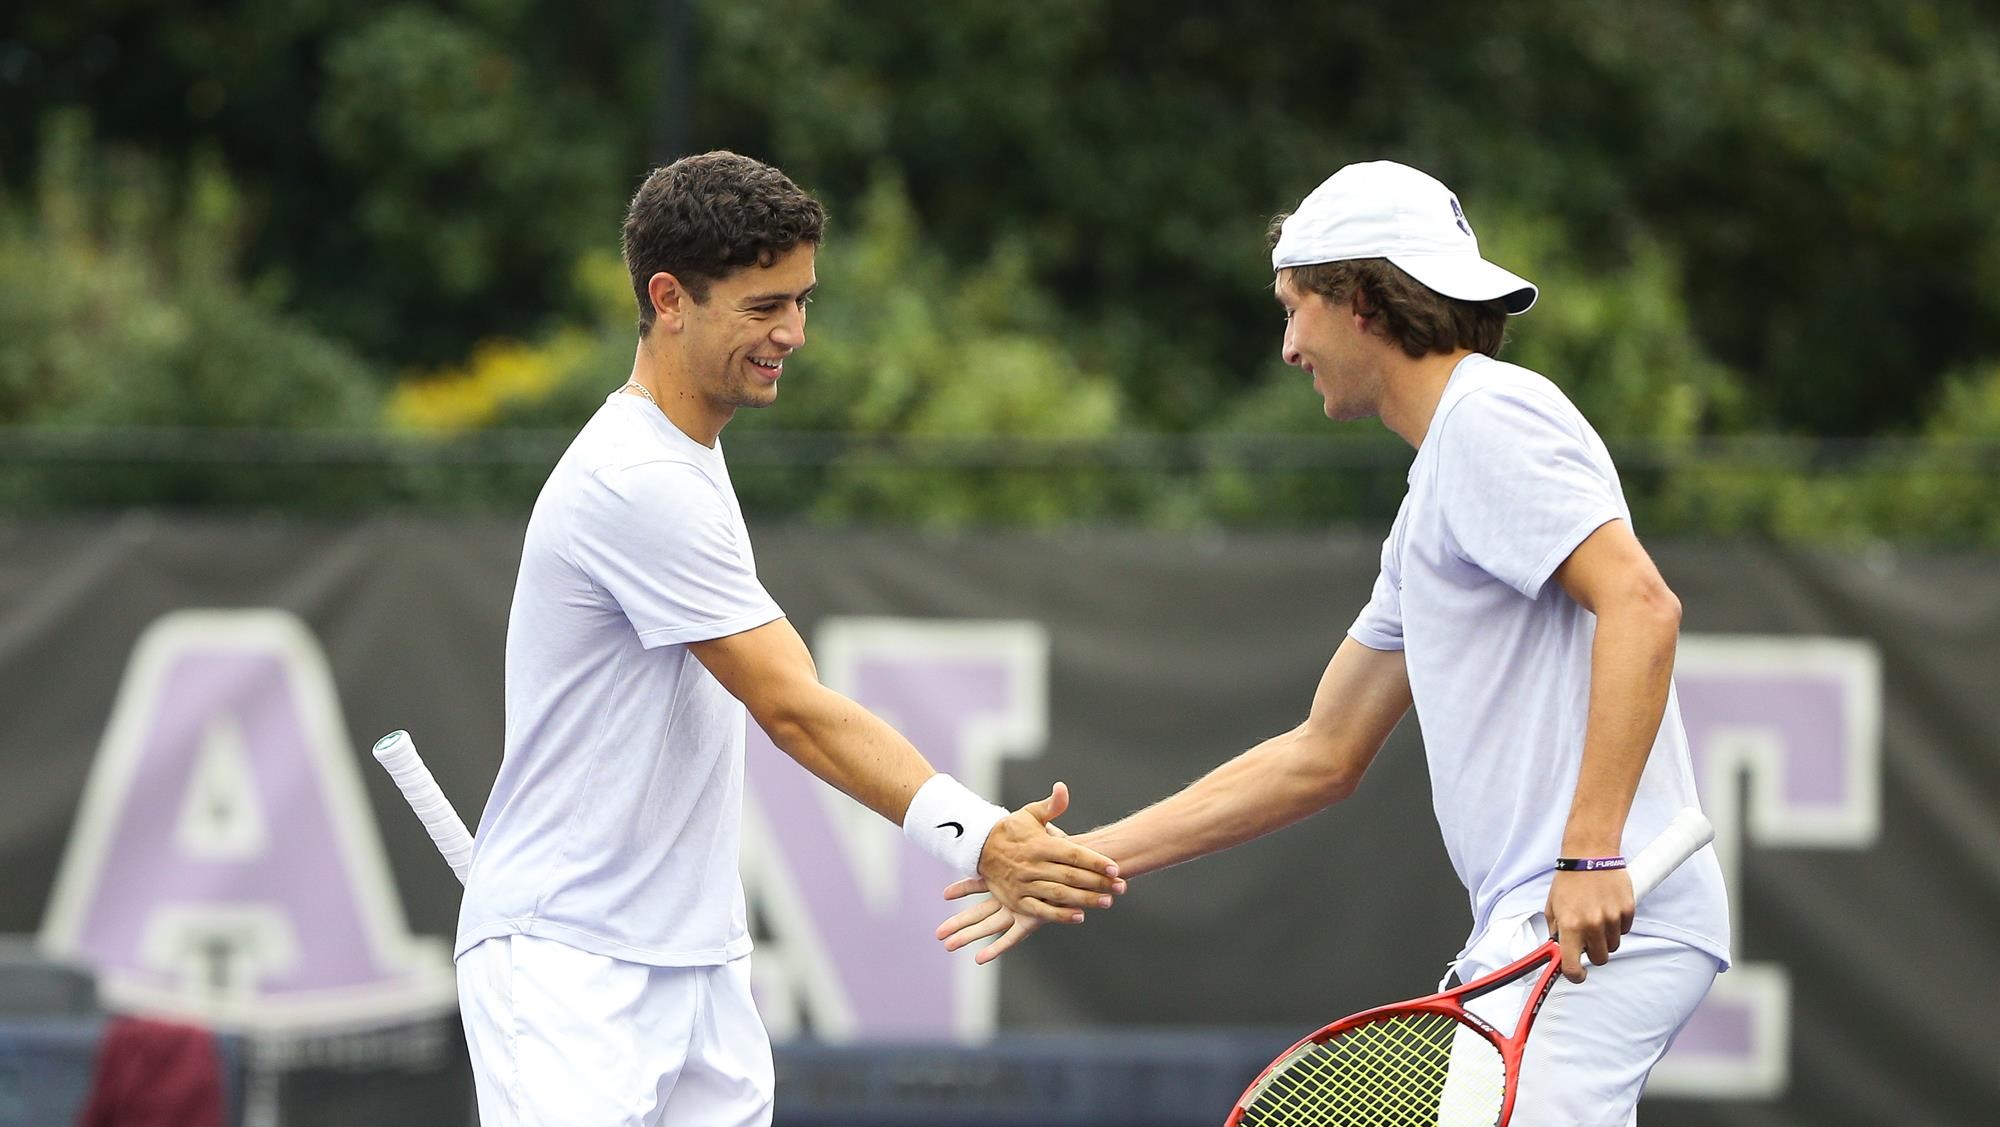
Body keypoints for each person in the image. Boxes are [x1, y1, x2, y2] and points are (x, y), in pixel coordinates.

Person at [937, 160, 1730, 1126]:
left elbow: (1642, 605)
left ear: (1360, 299)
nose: (1287, 347)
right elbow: (1319, 754)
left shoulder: (1492, 418)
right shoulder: (1438, 484)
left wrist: (1594, 854)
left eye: (1292, 307)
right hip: (1550, 924)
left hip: (1598, 917)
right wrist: (1084, 857)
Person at [454, 150, 1125, 1127]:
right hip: (571, 970)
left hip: (698, 965)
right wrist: (980, 838)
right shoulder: (633, 479)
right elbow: (793, 708)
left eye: (803, 300)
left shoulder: (691, 455)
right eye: (765, 305)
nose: (794, 332)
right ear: (669, 298)